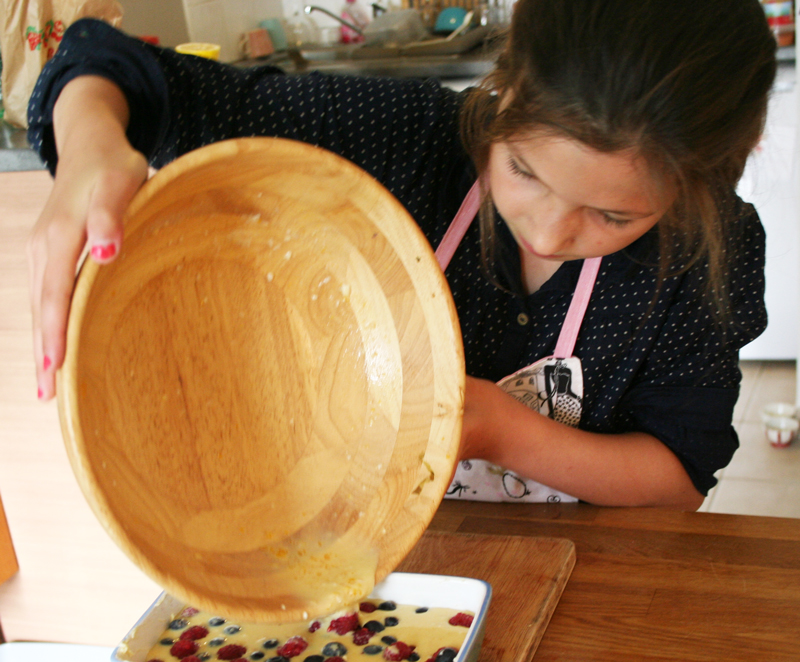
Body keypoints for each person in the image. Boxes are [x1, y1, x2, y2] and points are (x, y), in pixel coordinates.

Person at [25, 0, 776, 509]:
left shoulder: (707, 255)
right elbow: (109, 61)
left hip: (593, 592)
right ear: (505, 88)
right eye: (523, 172)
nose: (547, 234)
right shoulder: (405, 136)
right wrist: (90, 144)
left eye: (613, 215)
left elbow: (679, 476)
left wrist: (499, 428)